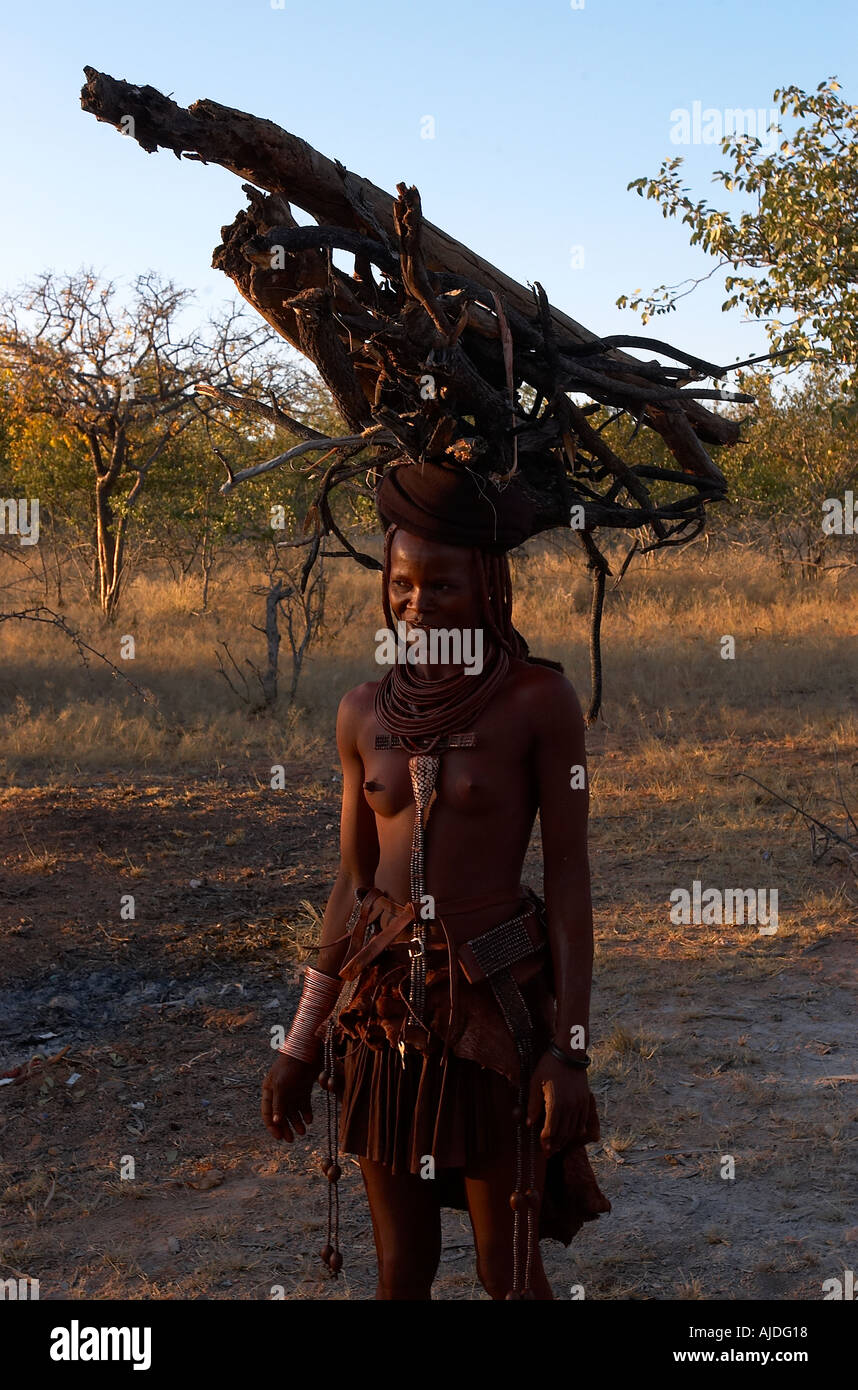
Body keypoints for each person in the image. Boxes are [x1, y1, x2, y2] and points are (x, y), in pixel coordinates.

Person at [261, 460, 610, 1300]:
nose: (417, 607)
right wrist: (302, 1041)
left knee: (508, 1272)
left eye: (442, 587)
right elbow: (350, 886)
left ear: (489, 585)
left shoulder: (537, 701)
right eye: (402, 585)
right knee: (399, 1271)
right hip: (382, 1018)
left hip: (494, 1015)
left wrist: (570, 1051)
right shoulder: (362, 712)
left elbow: (568, 885)